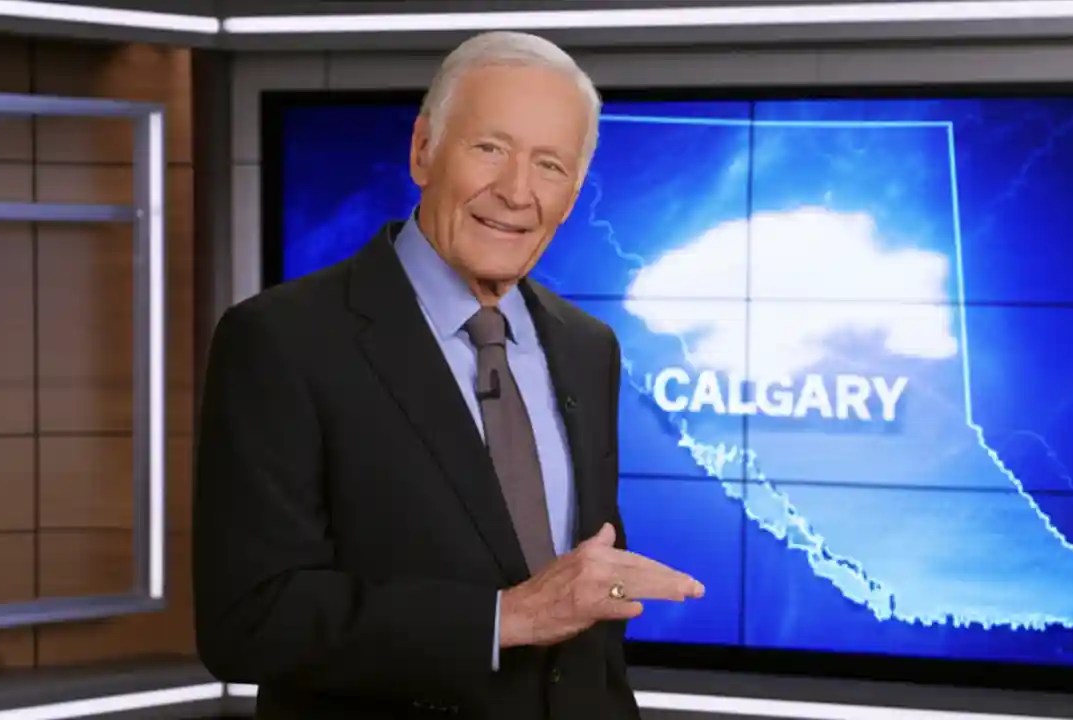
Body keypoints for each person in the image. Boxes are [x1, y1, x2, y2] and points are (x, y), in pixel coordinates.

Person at [193, 30, 704, 719]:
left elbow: (584, 621)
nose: (517, 192)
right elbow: (248, 621)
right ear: (423, 150)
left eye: (550, 165)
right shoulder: (282, 340)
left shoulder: (589, 346)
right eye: (490, 149)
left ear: (575, 191)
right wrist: (503, 620)